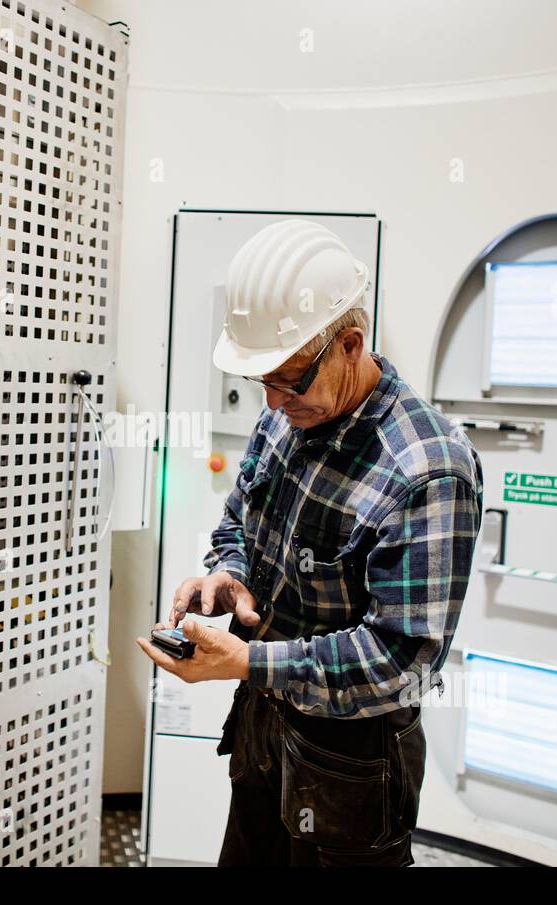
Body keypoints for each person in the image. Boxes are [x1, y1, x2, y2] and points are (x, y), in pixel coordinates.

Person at [136, 218, 484, 866]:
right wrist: (228, 574)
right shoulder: (290, 415)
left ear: (351, 344)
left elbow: (401, 660)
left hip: (353, 761)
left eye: (288, 379)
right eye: (259, 380)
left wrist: (247, 663)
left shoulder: (427, 469)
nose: (270, 402)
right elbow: (239, 519)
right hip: (264, 728)